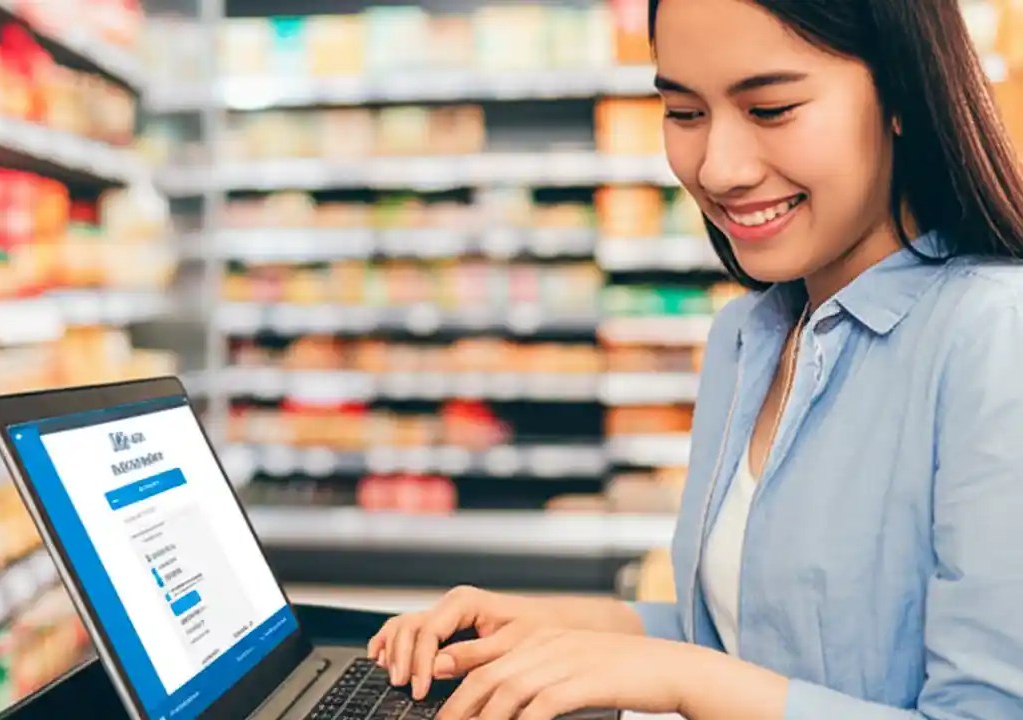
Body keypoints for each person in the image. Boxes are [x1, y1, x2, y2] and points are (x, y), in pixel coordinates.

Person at [367, 0, 1023, 718]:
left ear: (902, 91)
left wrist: (679, 679)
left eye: (770, 109)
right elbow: (749, 641)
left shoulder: (994, 336)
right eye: (684, 113)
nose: (719, 168)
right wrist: (551, 628)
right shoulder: (751, 335)